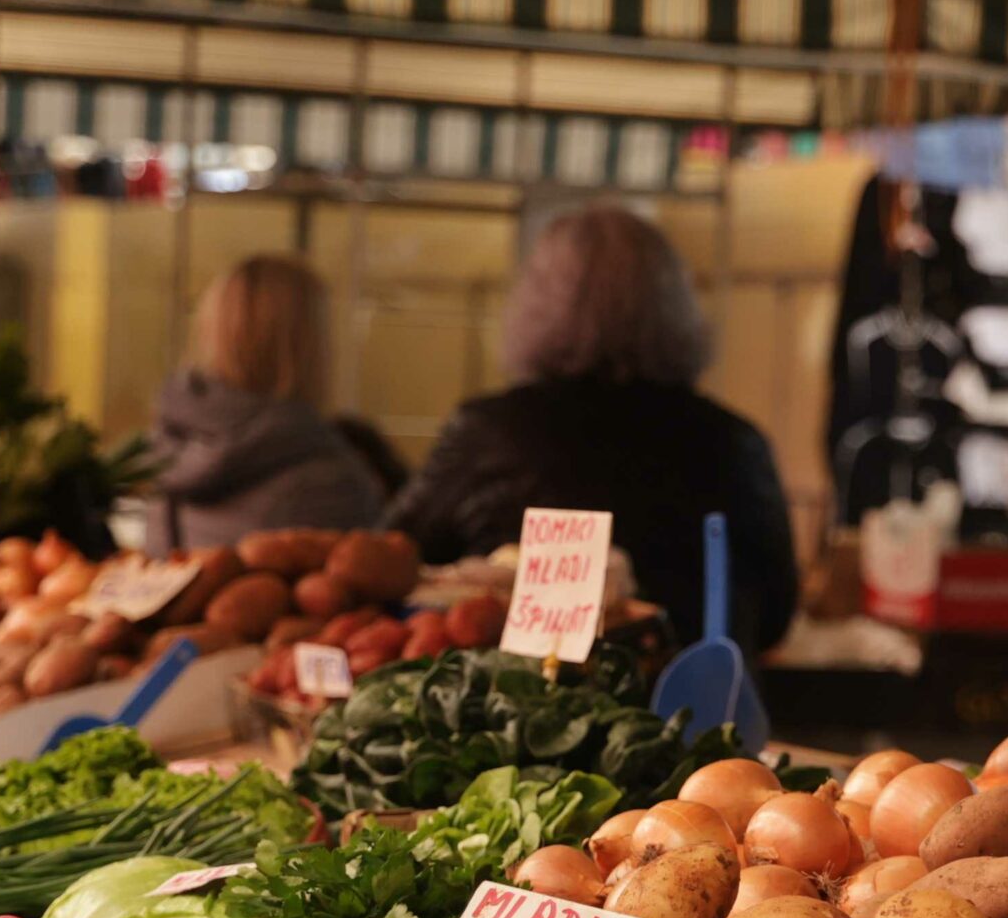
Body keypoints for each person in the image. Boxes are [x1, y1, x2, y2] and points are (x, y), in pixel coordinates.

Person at [389, 205, 799, 657]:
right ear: (679, 304)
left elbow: (386, 570)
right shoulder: (737, 444)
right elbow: (776, 615)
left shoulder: (485, 432)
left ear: (533, 304)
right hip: (701, 717)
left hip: (514, 717)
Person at [146, 256, 384, 553]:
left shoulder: (170, 443)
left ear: (211, 329)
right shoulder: (331, 484)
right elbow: (348, 589)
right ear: (311, 344)